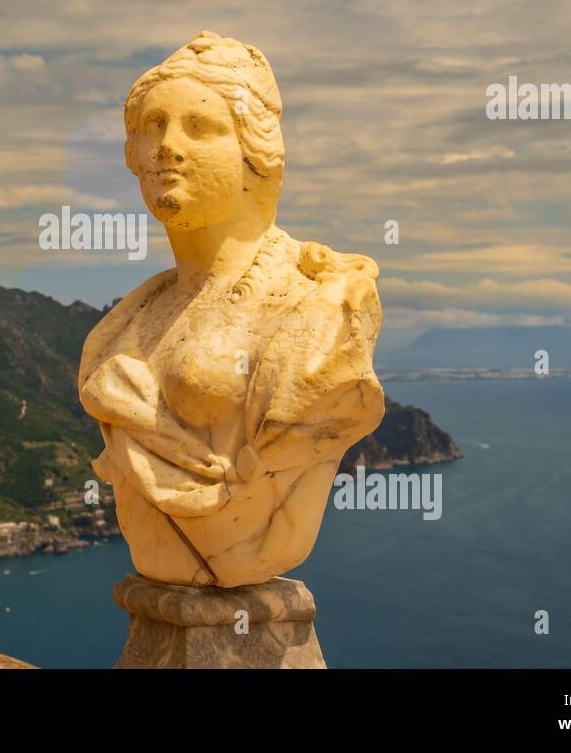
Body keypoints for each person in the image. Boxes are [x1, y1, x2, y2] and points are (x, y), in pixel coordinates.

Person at [78, 30, 386, 588]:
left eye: (200, 128)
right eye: (153, 127)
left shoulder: (320, 307)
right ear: (131, 153)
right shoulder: (124, 324)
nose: (167, 146)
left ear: (255, 153)